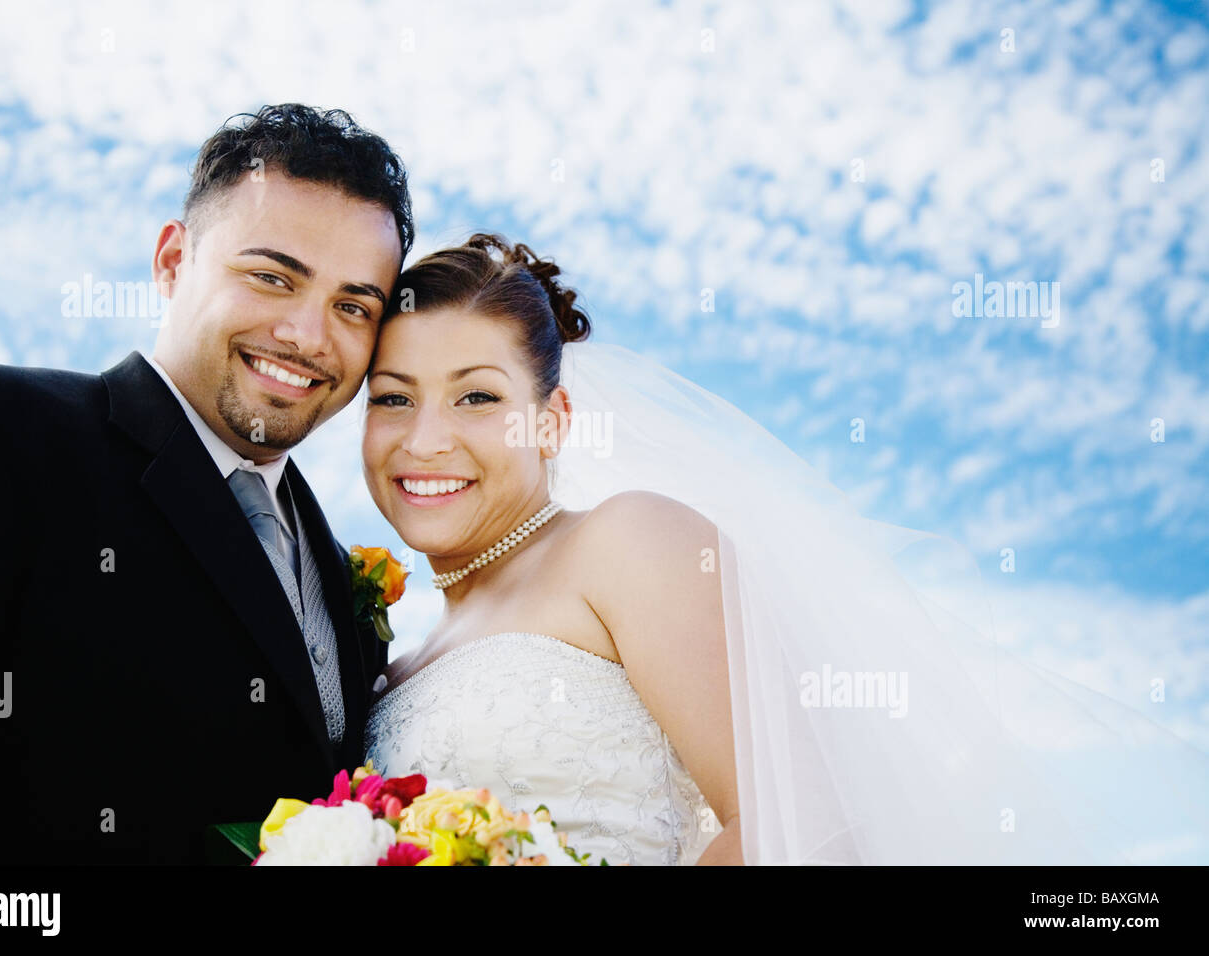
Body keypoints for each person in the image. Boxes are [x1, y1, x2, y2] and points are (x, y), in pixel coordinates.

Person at [361, 234, 1209, 865]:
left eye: (477, 397)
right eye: (394, 399)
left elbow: (796, 823)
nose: (425, 440)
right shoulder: (394, 668)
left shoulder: (625, 543)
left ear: (552, 422)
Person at [0, 104, 411, 863]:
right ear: (174, 262)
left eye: (352, 306)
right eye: (272, 277)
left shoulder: (342, 576)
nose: (309, 336)